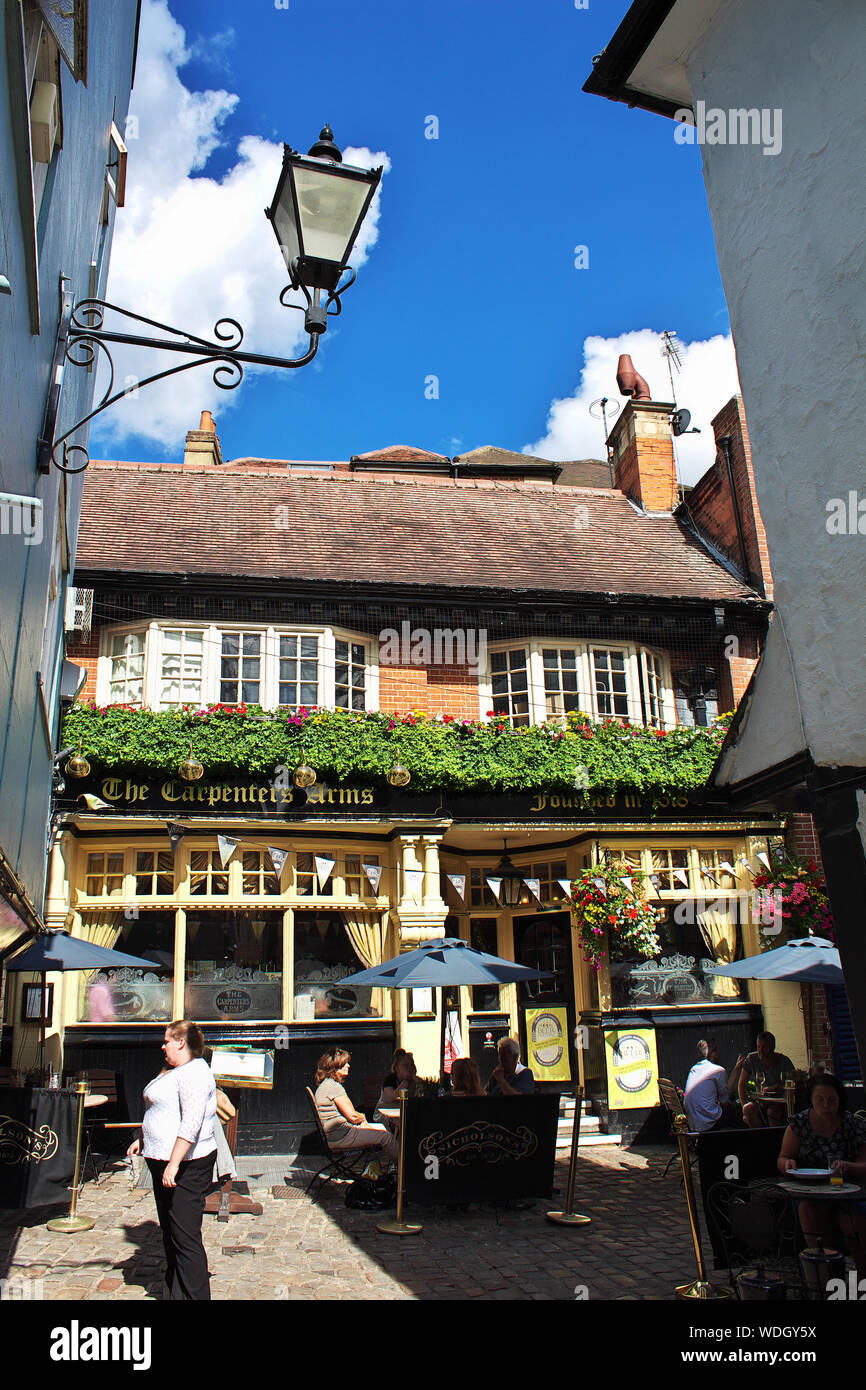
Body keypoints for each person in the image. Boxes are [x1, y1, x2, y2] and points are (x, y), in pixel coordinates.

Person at [127, 1020, 217, 1301]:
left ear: (181, 1042)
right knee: (171, 1232)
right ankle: (175, 1293)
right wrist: (142, 1140)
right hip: (162, 1159)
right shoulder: (176, 1070)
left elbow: (191, 1123)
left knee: (185, 1236)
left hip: (186, 1166)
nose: (162, 1045)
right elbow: (161, 1109)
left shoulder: (194, 1072)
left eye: (167, 1040)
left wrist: (175, 1163)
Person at [777, 1072, 866, 1276]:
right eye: (820, 1100)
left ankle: (862, 1276)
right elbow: (783, 1158)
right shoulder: (799, 1124)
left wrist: (848, 1167)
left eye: (831, 1100)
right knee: (809, 1209)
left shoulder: (854, 1124)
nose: (826, 1105)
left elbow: (864, 1164)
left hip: (847, 1190)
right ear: (811, 1100)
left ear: (840, 1100)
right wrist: (788, 1165)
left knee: (852, 1218)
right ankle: (823, 1276)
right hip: (811, 1190)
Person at [314, 1048, 398, 1164]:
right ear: (336, 1066)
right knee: (386, 1137)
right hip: (342, 1135)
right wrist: (363, 1120)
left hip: (337, 1134)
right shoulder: (333, 1087)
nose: (348, 1066)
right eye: (345, 1063)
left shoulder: (326, 1085)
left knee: (382, 1128)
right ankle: (404, 1172)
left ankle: (392, 1168)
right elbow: (353, 1116)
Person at [683, 1040, 743, 1133]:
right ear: (714, 1053)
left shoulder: (694, 1069)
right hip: (708, 1122)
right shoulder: (718, 1070)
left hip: (693, 1122)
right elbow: (724, 1101)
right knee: (735, 1112)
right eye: (718, 1051)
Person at [739, 1031, 795, 1127]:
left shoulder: (784, 1061)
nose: (760, 1050)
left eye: (764, 1047)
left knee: (772, 1112)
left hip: (780, 1102)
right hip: (761, 1101)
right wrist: (744, 1104)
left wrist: (777, 1088)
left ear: (772, 1047)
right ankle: (763, 1138)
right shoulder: (752, 1059)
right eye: (758, 1046)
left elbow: (793, 1083)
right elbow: (741, 1085)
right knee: (748, 1109)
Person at [373, 1048, 417, 1123]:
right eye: (405, 1066)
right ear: (397, 1067)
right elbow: (392, 1097)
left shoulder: (414, 1082)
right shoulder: (390, 1080)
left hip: (402, 1113)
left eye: (411, 1065)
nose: (409, 1069)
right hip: (384, 1113)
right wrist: (405, 1083)